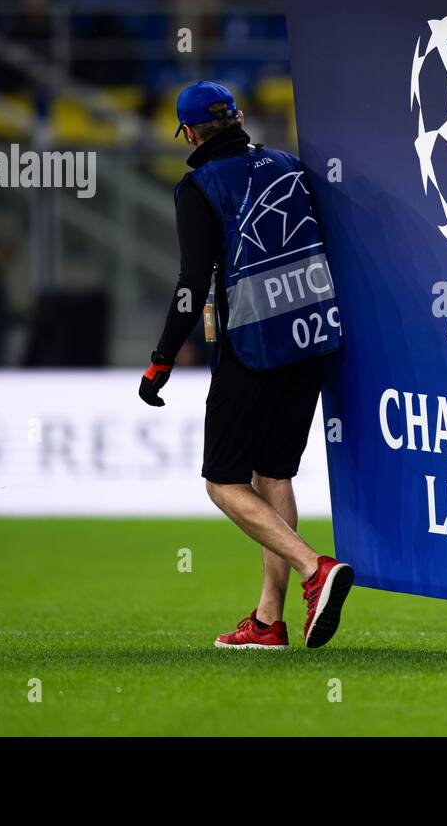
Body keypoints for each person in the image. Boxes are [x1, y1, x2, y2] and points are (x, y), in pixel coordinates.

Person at [139, 81, 352, 650]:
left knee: (223, 482)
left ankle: (315, 569)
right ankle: (268, 621)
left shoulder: (199, 185)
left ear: (189, 132)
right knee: (273, 474)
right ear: (235, 119)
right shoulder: (289, 165)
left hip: (253, 345)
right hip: (312, 335)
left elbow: (191, 284)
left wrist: (162, 358)